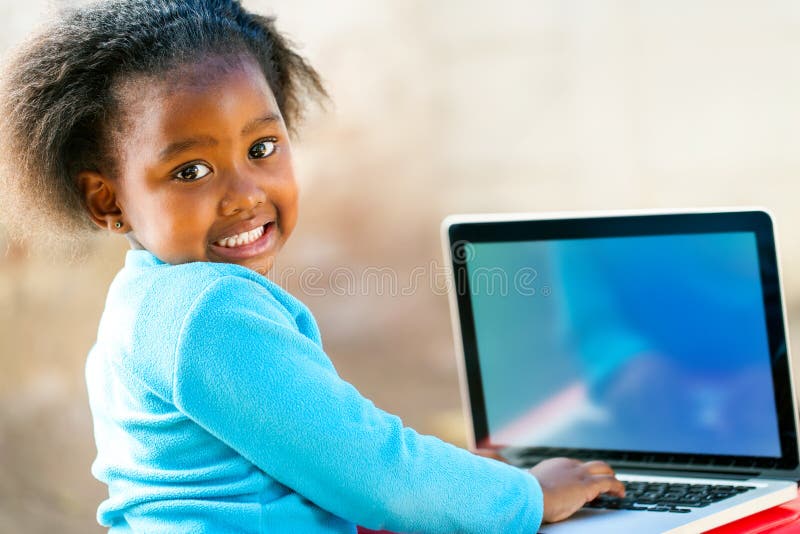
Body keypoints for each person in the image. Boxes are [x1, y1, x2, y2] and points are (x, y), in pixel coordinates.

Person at [0, 1, 624, 531]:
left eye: (262, 147)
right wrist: (528, 495)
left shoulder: (141, 302)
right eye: (191, 170)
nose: (245, 193)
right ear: (107, 199)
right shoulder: (206, 310)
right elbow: (375, 471)